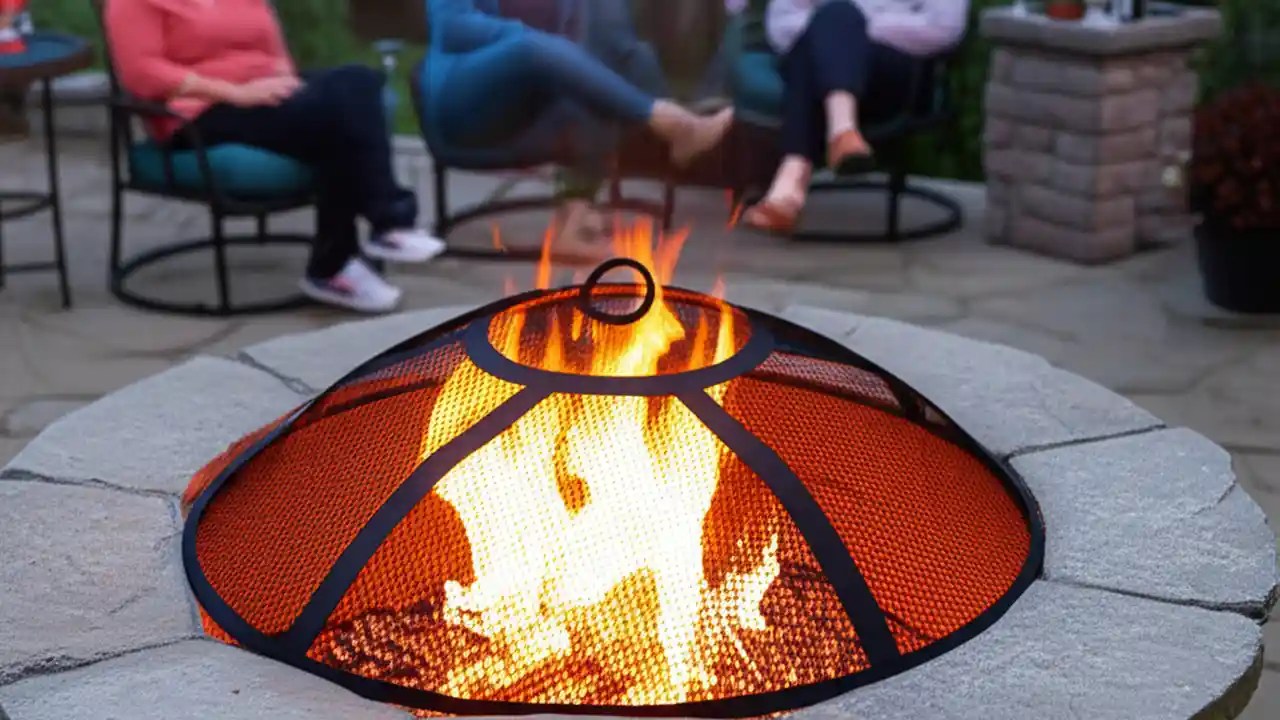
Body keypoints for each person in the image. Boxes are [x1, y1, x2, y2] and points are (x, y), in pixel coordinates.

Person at [104, 0, 446, 314]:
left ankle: (365, 244)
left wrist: (283, 77)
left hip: (264, 92)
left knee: (358, 81)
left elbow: (270, 43)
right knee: (340, 119)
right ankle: (360, 245)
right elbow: (141, 73)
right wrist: (236, 93)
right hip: (198, 112)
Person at [424, 0, 734, 256]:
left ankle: (573, 226)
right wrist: (547, 46)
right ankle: (670, 122)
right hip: (460, 102)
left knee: (602, 72)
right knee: (533, 48)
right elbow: (453, 29)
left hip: (530, 109)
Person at [728, 0, 969, 234]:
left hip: (900, 74)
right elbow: (782, 24)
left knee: (837, 18)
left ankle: (793, 176)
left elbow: (942, 28)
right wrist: (833, 32)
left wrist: (854, 29)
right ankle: (842, 133)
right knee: (830, 27)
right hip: (815, 57)